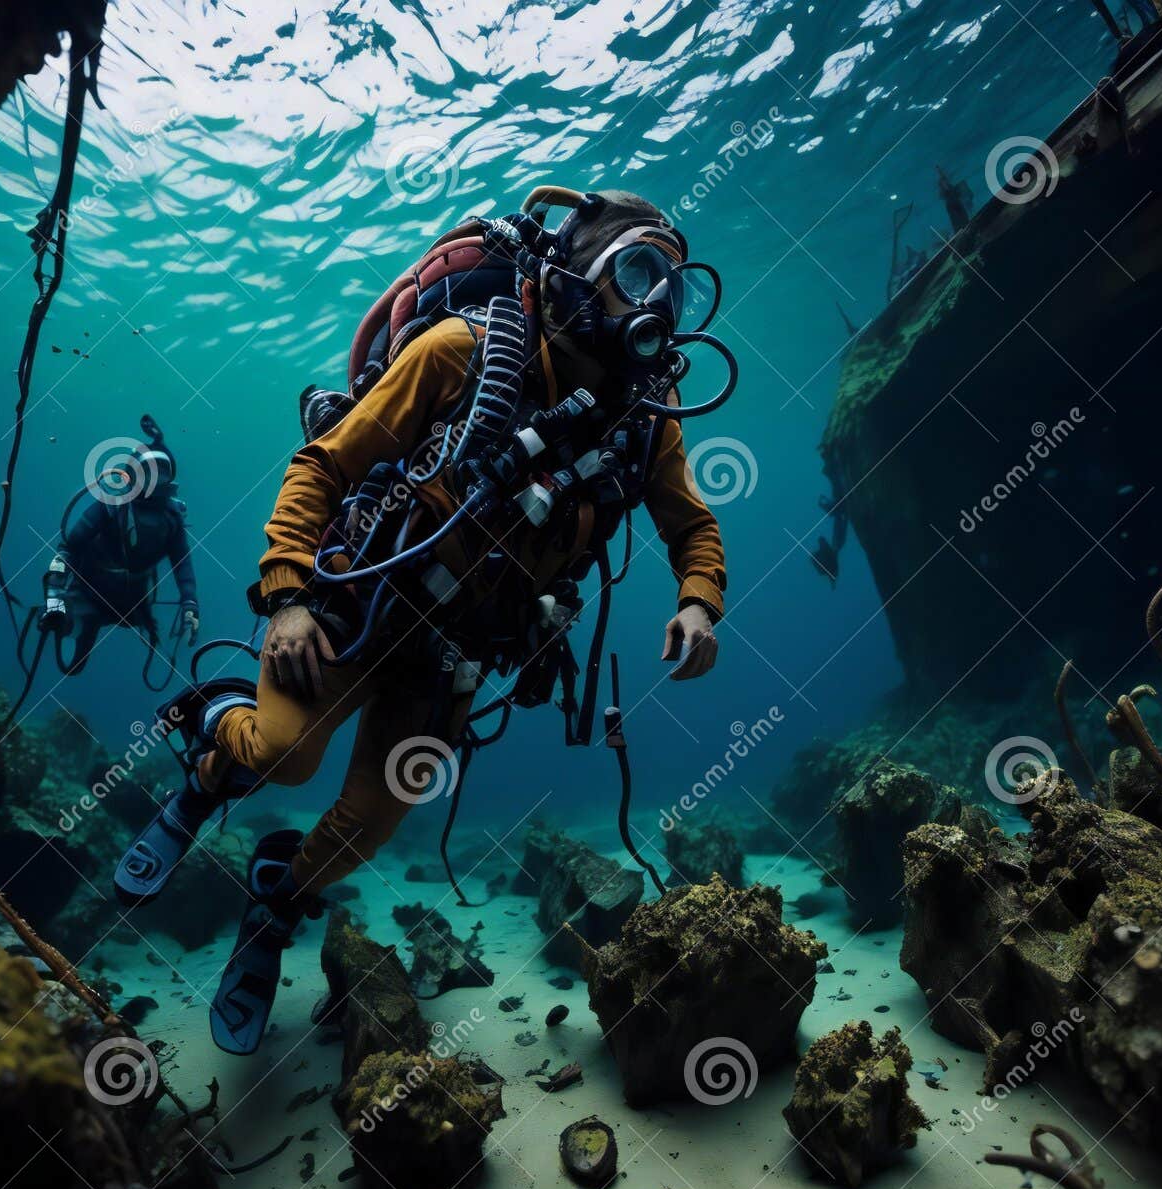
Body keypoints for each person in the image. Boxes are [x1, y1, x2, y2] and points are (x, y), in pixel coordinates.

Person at [115, 188, 731, 1055]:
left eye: (676, 288)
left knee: (369, 823)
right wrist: (287, 598)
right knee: (285, 756)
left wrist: (699, 600)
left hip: (456, 658)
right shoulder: (458, 353)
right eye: (636, 273)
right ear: (571, 272)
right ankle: (208, 759)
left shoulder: (646, 426)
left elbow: (692, 524)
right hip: (357, 607)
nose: (656, 305)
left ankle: (274, 905)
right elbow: (323, 466)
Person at [40, 418, 199, 675]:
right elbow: (68, 550)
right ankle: (69, 621)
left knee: (99, 653)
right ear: (132, 476)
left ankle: (75, 622)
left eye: (162, 474)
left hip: (132, 602)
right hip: (90, 592)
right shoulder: (112, 505)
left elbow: (183, 565)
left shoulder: (172, 519)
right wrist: (54, 602)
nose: (155, 482)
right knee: (73, 664)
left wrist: (190, 605)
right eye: (148, 473)